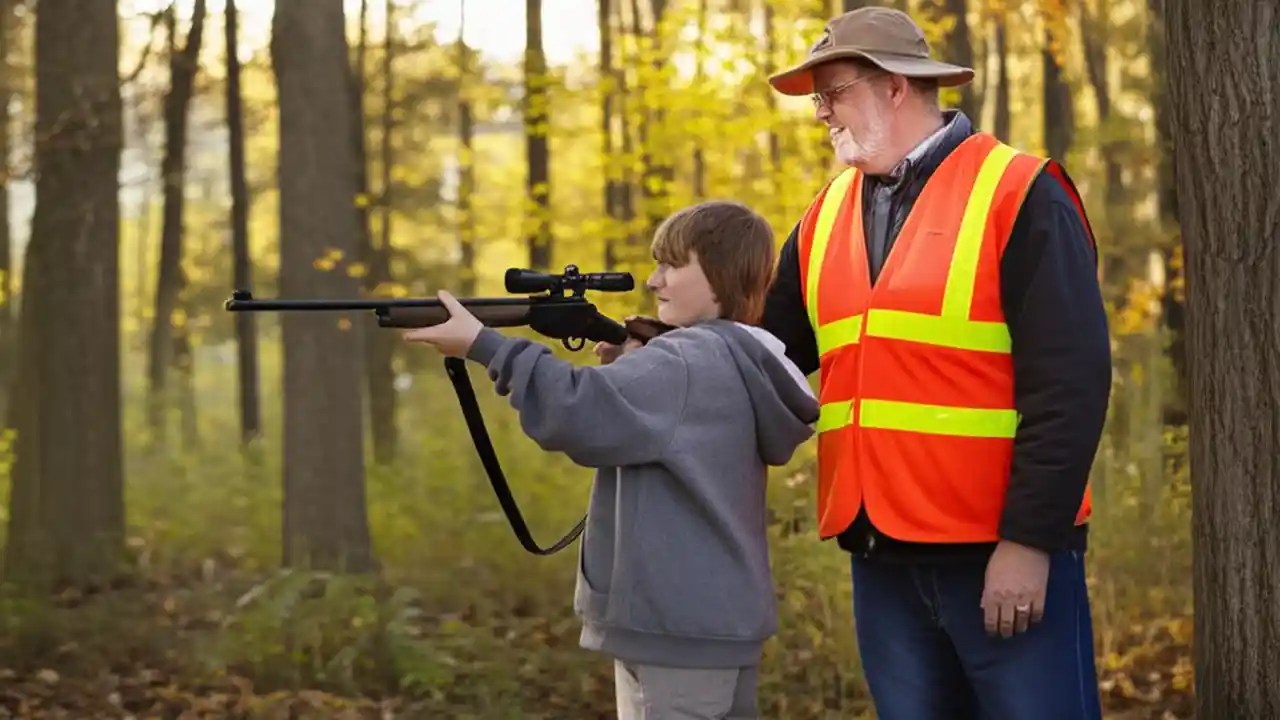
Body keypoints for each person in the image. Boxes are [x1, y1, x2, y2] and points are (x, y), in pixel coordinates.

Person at [759, 6, 1111, 720]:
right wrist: (659, 351)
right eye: (818, 99)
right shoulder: (822, 216)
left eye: (834, 93)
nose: (821, 113)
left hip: (999, 557)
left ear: (894, 86)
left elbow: (1071, 386)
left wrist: (1028, 542)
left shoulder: (1020, 191)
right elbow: (767, 358)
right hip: (880, 558)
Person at [403, 200, 819, 720]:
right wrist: (632, 366)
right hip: (710, 625)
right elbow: (653, 419)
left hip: (673, 630)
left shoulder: (688, 359)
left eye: (672, 264)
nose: (653, 279)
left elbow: (578, 410)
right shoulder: (734, 357)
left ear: (720, 273)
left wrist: (485, 346)